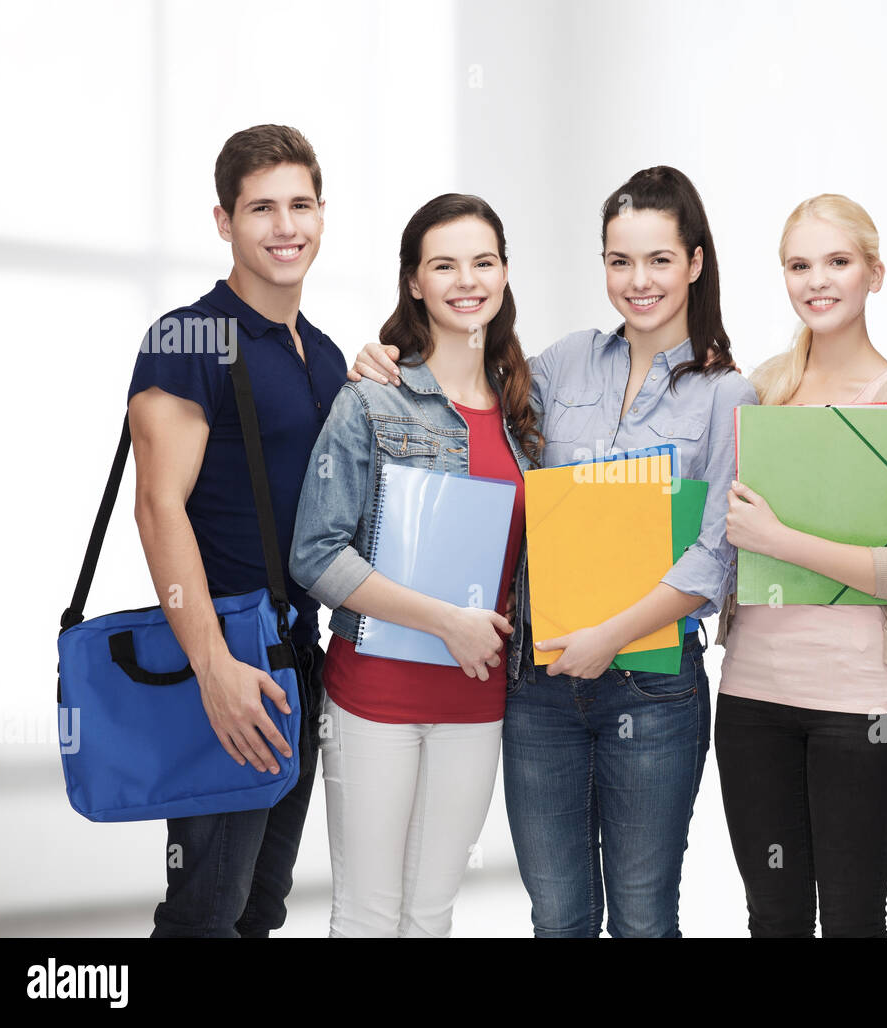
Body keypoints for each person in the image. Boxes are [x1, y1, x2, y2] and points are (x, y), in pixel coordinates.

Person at [353, 166, 758, 937]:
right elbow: (464, 404)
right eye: (619, 261)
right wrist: (381, 361)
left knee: (642, 916)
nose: (638, 281)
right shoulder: (562, 363)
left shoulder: (728, 396)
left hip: (653, 686)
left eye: (659, 260)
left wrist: (611, 637)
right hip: (539, 687)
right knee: (559, 915)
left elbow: (716, 555)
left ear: (696, 263)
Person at [289, 194, 538, 937]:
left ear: (503, 273)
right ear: (415, 283)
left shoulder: (530, 413)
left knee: (430, 915)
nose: (467, 280)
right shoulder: (372, 399)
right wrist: (446, 623)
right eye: (444, 264)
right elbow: (316, 554)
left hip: (478, 699)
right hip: (376, 696)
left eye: (483, 262)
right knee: (368, 916)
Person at [127, 124, 347, 937]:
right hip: (226, 657)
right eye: (261, 208)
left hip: (300, 660)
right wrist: (211, 663)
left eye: (300, 205)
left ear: (323, 214)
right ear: (224, 222)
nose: (284, 226)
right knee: (204, 913)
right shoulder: (189, 338)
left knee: (258, 908)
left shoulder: (322, 356)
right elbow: (158, 507)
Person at [716, 194, 887, 938]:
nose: (818, 281)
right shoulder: (761, 389)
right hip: (752, 699)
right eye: (799, 265)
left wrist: (777, 538)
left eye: (838, 262)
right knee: (774, 917)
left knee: (850, 920)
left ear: (874, 274)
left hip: (860, 709)